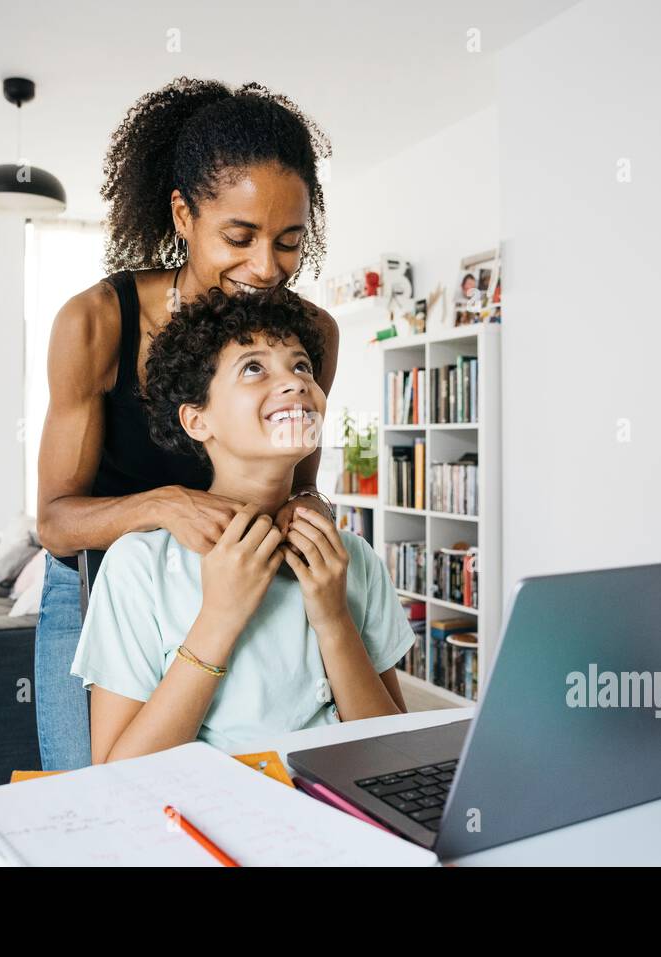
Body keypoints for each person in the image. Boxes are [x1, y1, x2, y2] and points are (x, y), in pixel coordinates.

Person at [34, 78, 340, 770]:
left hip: (224, 588)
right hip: (97, 585)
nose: (266, 268)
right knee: (87, 799)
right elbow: (54, 522)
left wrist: (310, 512)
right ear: (182, 213)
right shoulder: (97, 323)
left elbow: (298, 481)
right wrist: (165, 506)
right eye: (240, 235)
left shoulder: (312, 332)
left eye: (289, 242)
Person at [71, 288, 413, 761]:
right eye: (254, 368)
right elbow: (117, 771)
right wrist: (220, 618)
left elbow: (397, 753)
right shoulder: (138, 567)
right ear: (197, 419)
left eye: (301, 367)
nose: (295, 384)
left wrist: (334, 618)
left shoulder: (351, 557)